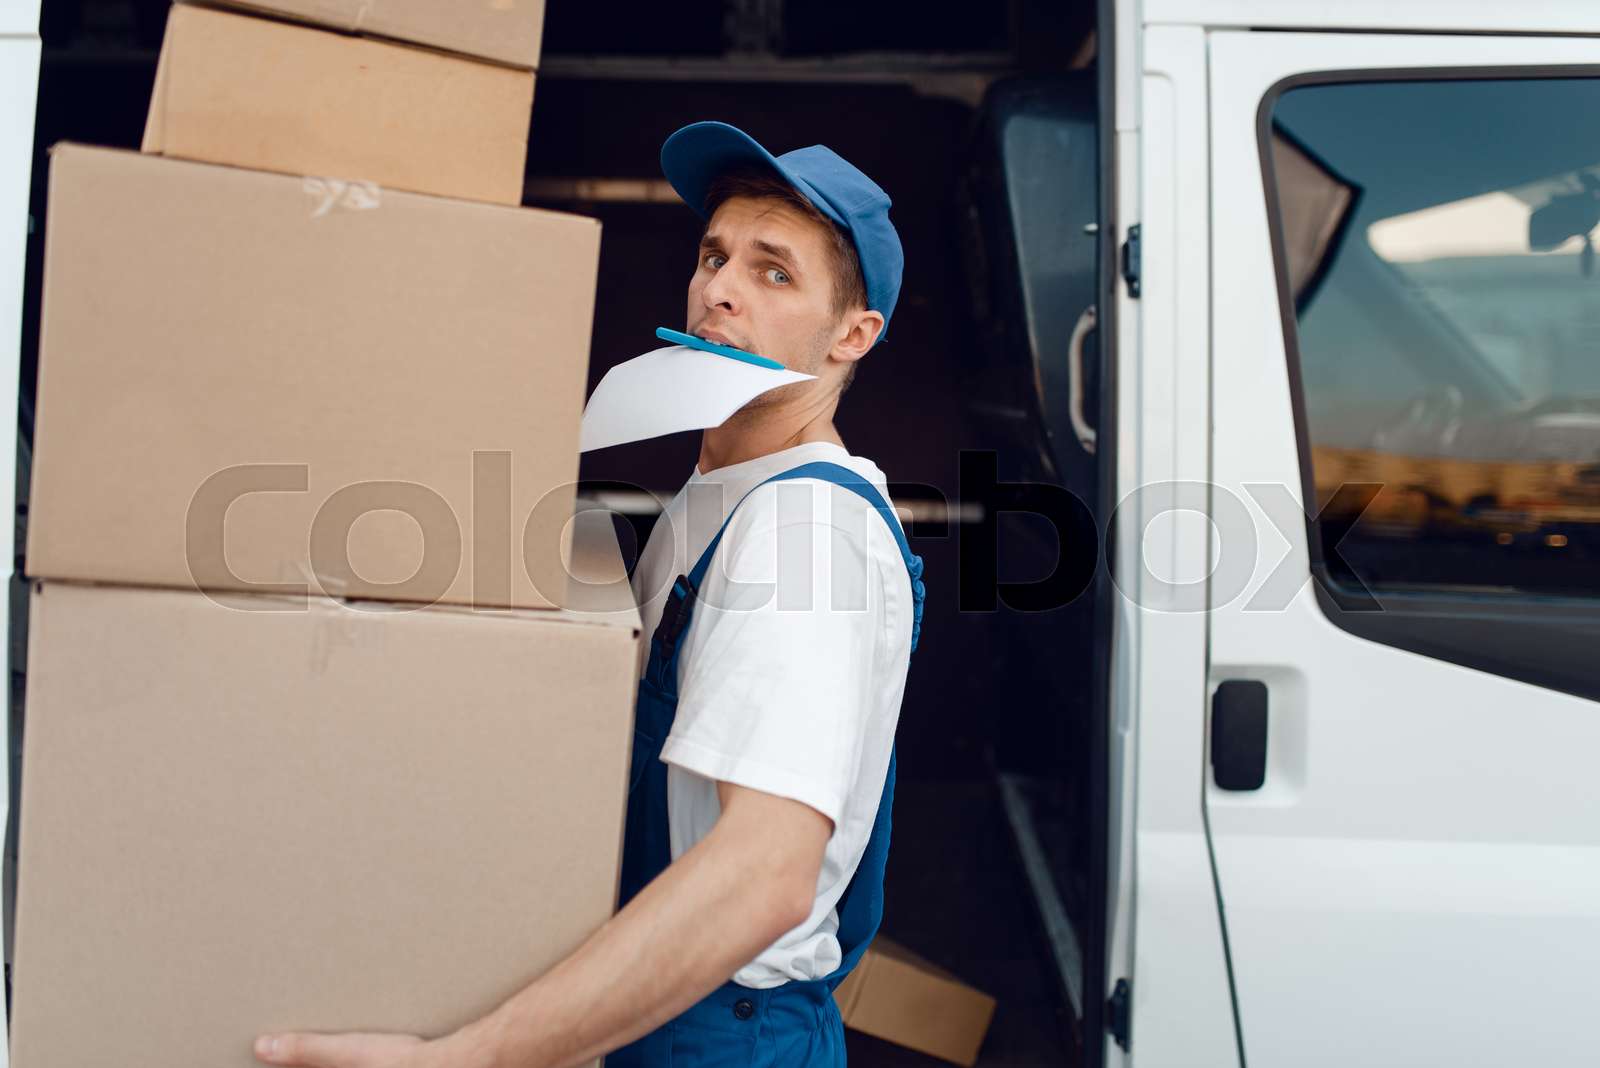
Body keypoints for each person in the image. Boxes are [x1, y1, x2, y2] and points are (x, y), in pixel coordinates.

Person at [253, 119, 923, 1068]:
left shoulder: (808, 531)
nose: (720, 289)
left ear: (853, 336)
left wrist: (470, 1058)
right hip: (656, 1007)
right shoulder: (721, 497)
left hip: (722, 1038)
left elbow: (762, 878)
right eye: (714, 255)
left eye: (775, 274)